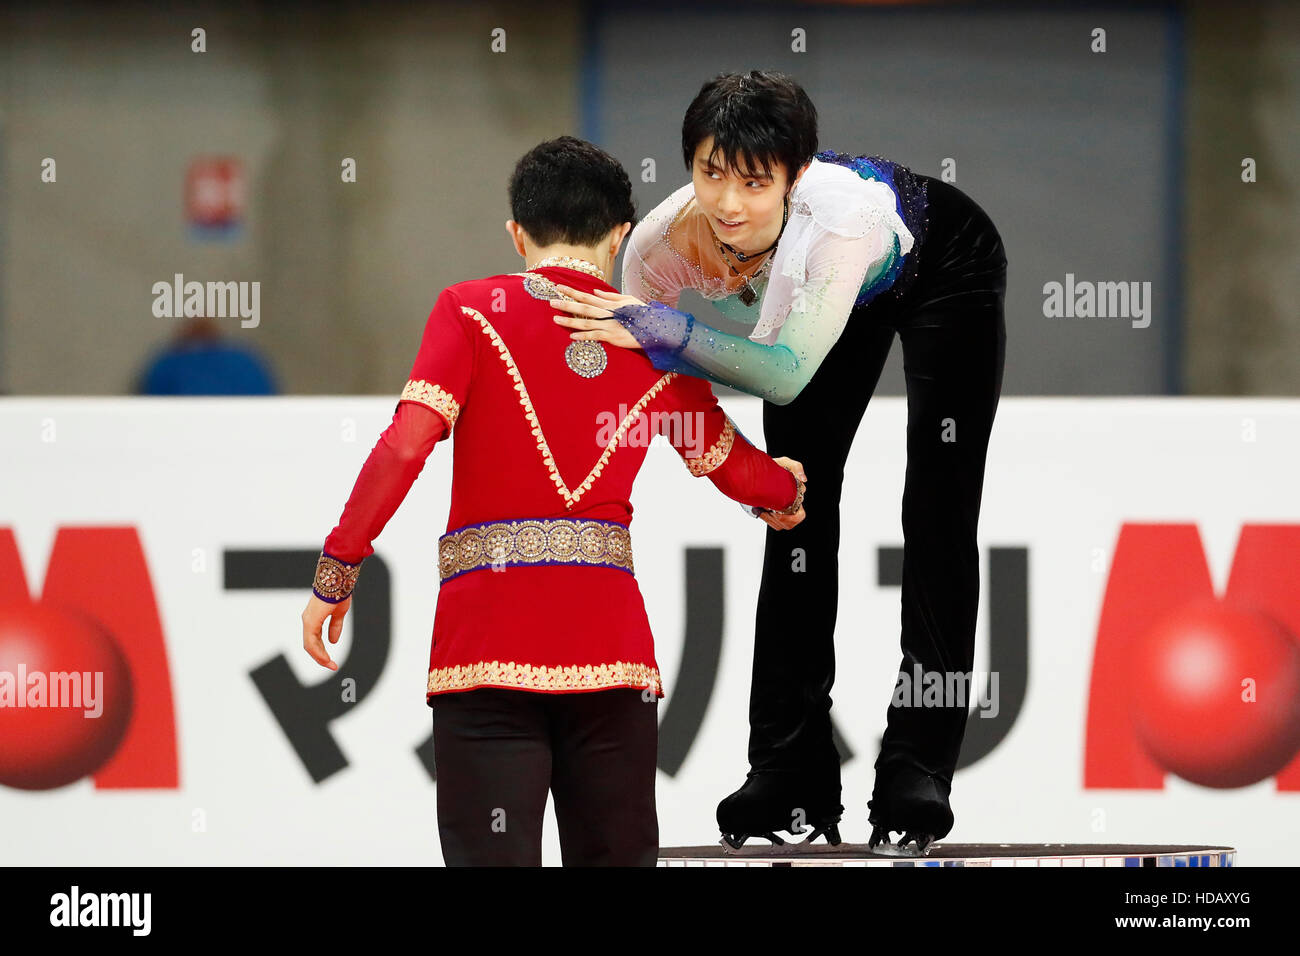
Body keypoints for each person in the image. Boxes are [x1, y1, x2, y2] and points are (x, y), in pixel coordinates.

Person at [299, 136, 807, 866]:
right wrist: (787, 490)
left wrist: (336, 573)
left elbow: (407, 446)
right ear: (618, 233)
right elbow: (730, 466)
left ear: (517, 233)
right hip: (611, 660)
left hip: (485, 655)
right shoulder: (651, 336)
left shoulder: (469, 314)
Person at [550, 71, 1007, 854]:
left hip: (945, 267)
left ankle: (917, 768)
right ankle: (790, 772)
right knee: (791, 505)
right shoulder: (662, 242)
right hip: (811, 313)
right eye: (710, 173)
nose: (728, 203)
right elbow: (635, 358)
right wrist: (706, 448)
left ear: (795, 177)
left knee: (938, 508)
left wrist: (661, 328)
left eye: (755, 182)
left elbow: (783, 368)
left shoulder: (837, 226)